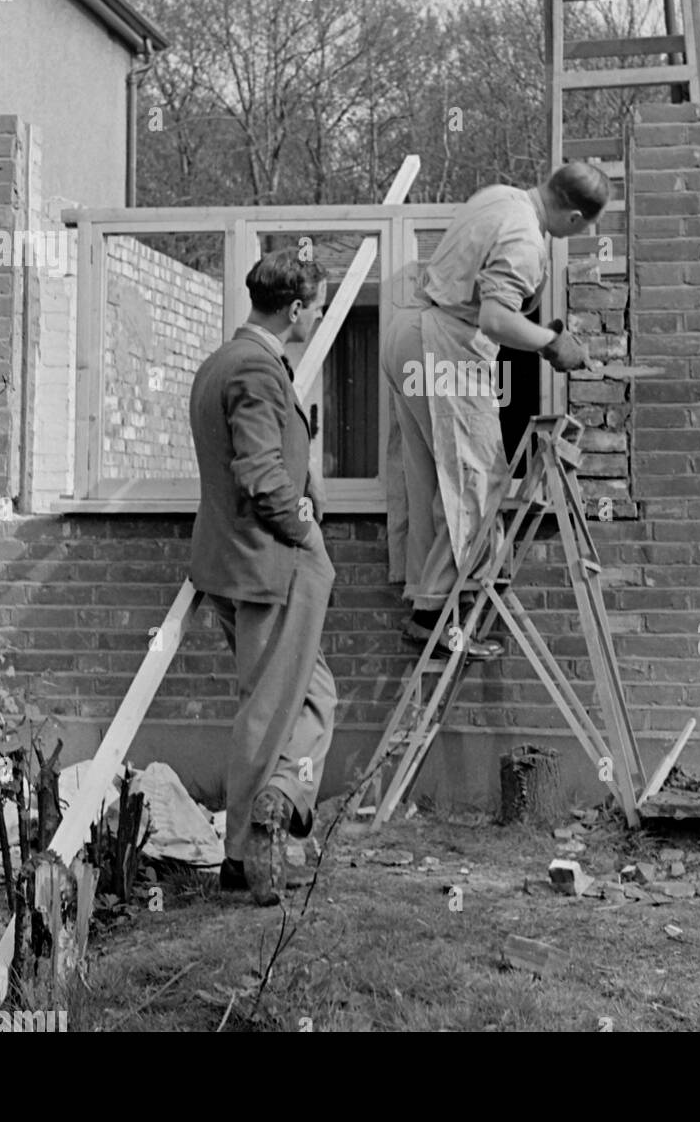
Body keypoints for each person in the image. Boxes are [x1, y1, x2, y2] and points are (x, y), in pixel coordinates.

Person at [383, 161, 610, 654]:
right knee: (476, 479)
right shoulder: (528, 241)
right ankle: (440, 619)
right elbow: (494, 319)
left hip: (408, 333)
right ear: (573, 217)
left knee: (431, 482)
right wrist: (552, 343)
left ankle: (426, 605)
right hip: (445, 345)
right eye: (583, 228)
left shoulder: (499, 195)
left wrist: (536, 323)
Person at [188, 249, 335, 906]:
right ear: (297, 308)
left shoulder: (223, 360)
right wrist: (300, 527)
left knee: (306, 696)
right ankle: (250, 844)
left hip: (227, 562)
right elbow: (257, 469)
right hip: (267, 564)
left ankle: (271, 809)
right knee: (273, 708)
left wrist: (306, 483)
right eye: (320, 305)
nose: (321, 316)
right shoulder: (254, 369)